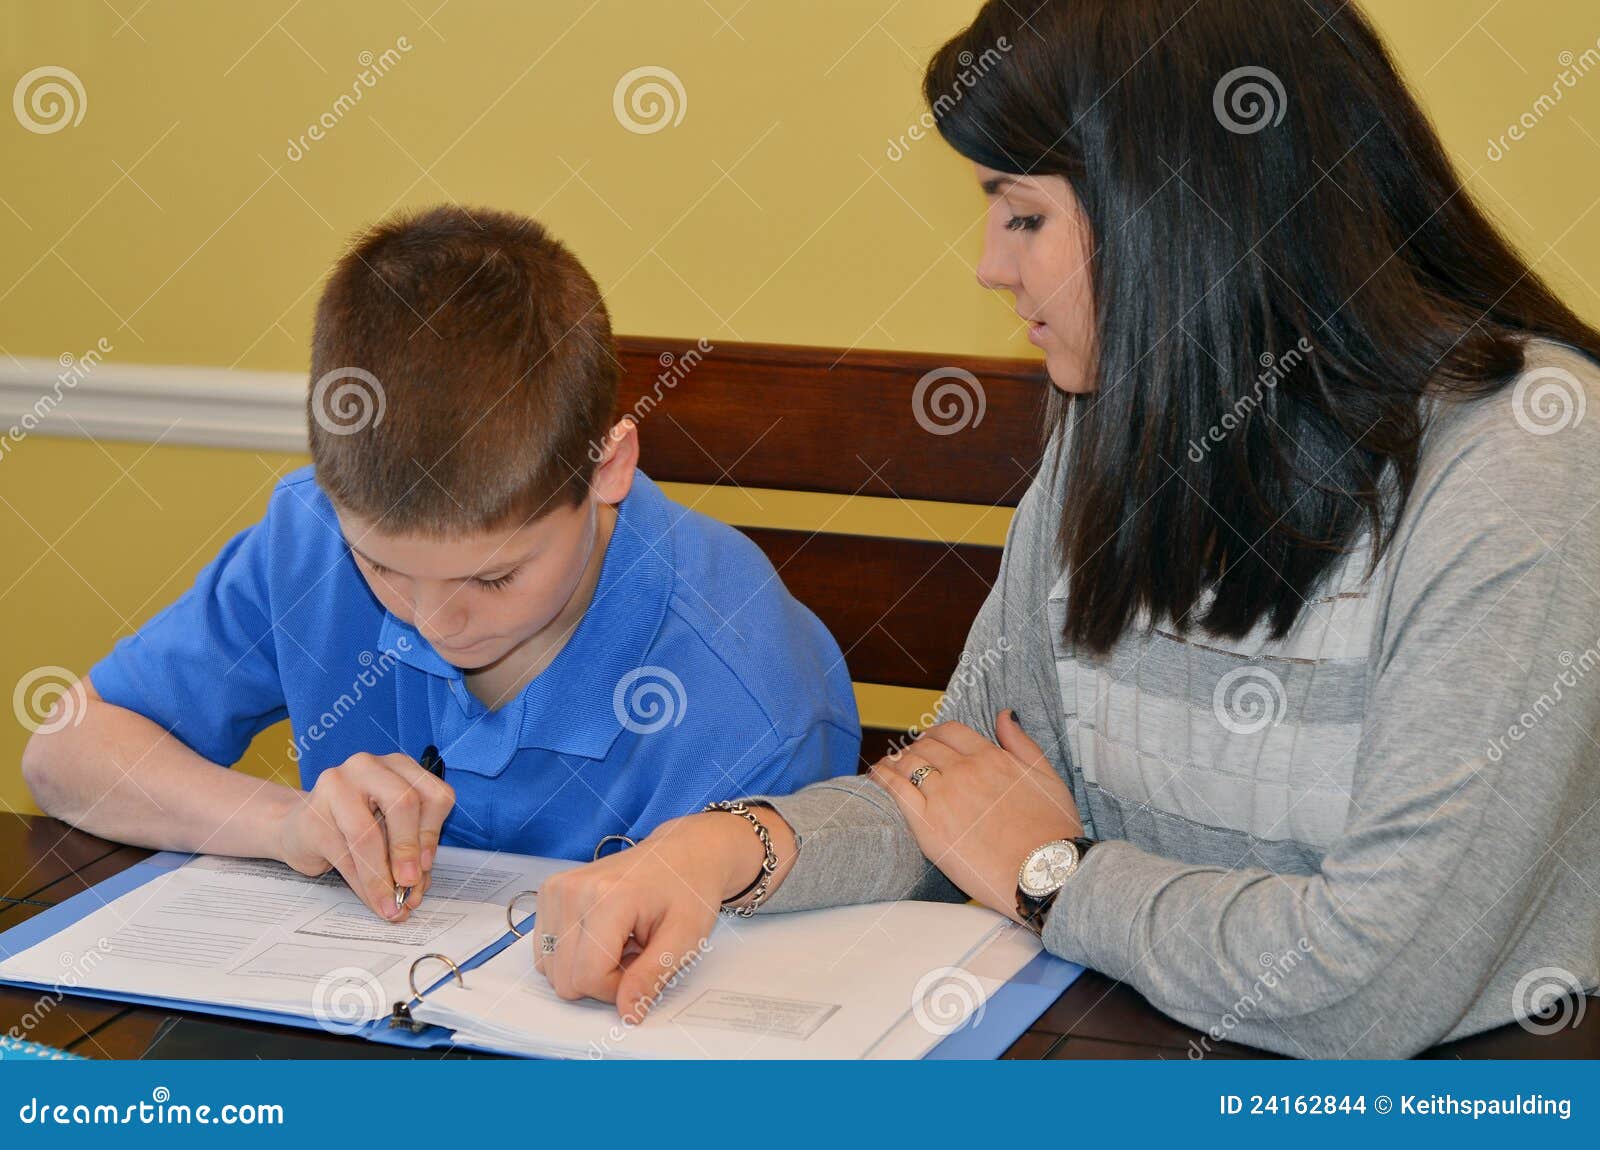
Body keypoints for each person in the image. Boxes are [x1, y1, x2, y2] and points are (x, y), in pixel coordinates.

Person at [525, 0, 1600, 1058]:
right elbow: (956, 799)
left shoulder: (1525, 458)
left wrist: (1058, 877)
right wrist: (719, 851)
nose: (990, 264)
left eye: (1024, 214)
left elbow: (1375, 984)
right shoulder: (1115, 419)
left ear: (1185, 206)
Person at [20, 205, 861, 924]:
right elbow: (64, 753)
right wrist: (287, 824)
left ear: (606, 469)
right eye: (381, 569)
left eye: (493, 578)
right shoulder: (309, 541)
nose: (433, 620)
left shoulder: (749, 700)